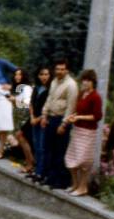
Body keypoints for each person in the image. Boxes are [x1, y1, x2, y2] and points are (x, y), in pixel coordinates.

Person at [40, 55, 78, 188]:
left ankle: (60, 181)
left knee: (59, 151)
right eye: (57, 69)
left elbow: (71, 106)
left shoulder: (71, 85)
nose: (59, 71)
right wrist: (44, 116)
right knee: (48, 149)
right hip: (50, 118)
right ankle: (48, 177)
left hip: (61, 120)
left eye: (62, 69)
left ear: (67, 70)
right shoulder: (54, 81)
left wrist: (64, 124)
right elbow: (49, 99)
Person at [64, 68, 103, 195]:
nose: (85, 83)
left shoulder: (96, 97)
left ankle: (83, 187)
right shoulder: (81, 94)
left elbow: (97, 117)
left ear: (93, 82)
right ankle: (75, 184)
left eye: (88, 81)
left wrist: (79, 117)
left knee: (83, 160)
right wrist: (72, 117)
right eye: (84, 80)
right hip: (77, 130)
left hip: (88, 132)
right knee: (71, 159)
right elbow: (79, 111)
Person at [9, 67, 35, 175]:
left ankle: (30, 163)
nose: (17, 77)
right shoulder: (18, 88)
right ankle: (29, 161)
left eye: (20, 75)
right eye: (16, 75)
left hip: (25, 118)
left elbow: (27, 103)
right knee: (22, 140)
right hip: (19, 118)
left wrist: (15, 100)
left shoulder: (27, 88)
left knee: (24, 140)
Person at [29, 65, 51, 182]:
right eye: (41, 74)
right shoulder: (36, 88)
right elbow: (31, 103)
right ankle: (36, 170)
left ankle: (41, 172)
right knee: (36, 146)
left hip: (43, 120)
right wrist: (32, 117)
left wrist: (37, 119)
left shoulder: (50, 89)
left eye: (46, 74)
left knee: (42, 148)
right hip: (34, 120)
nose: (44, 77)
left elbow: (49, 107)